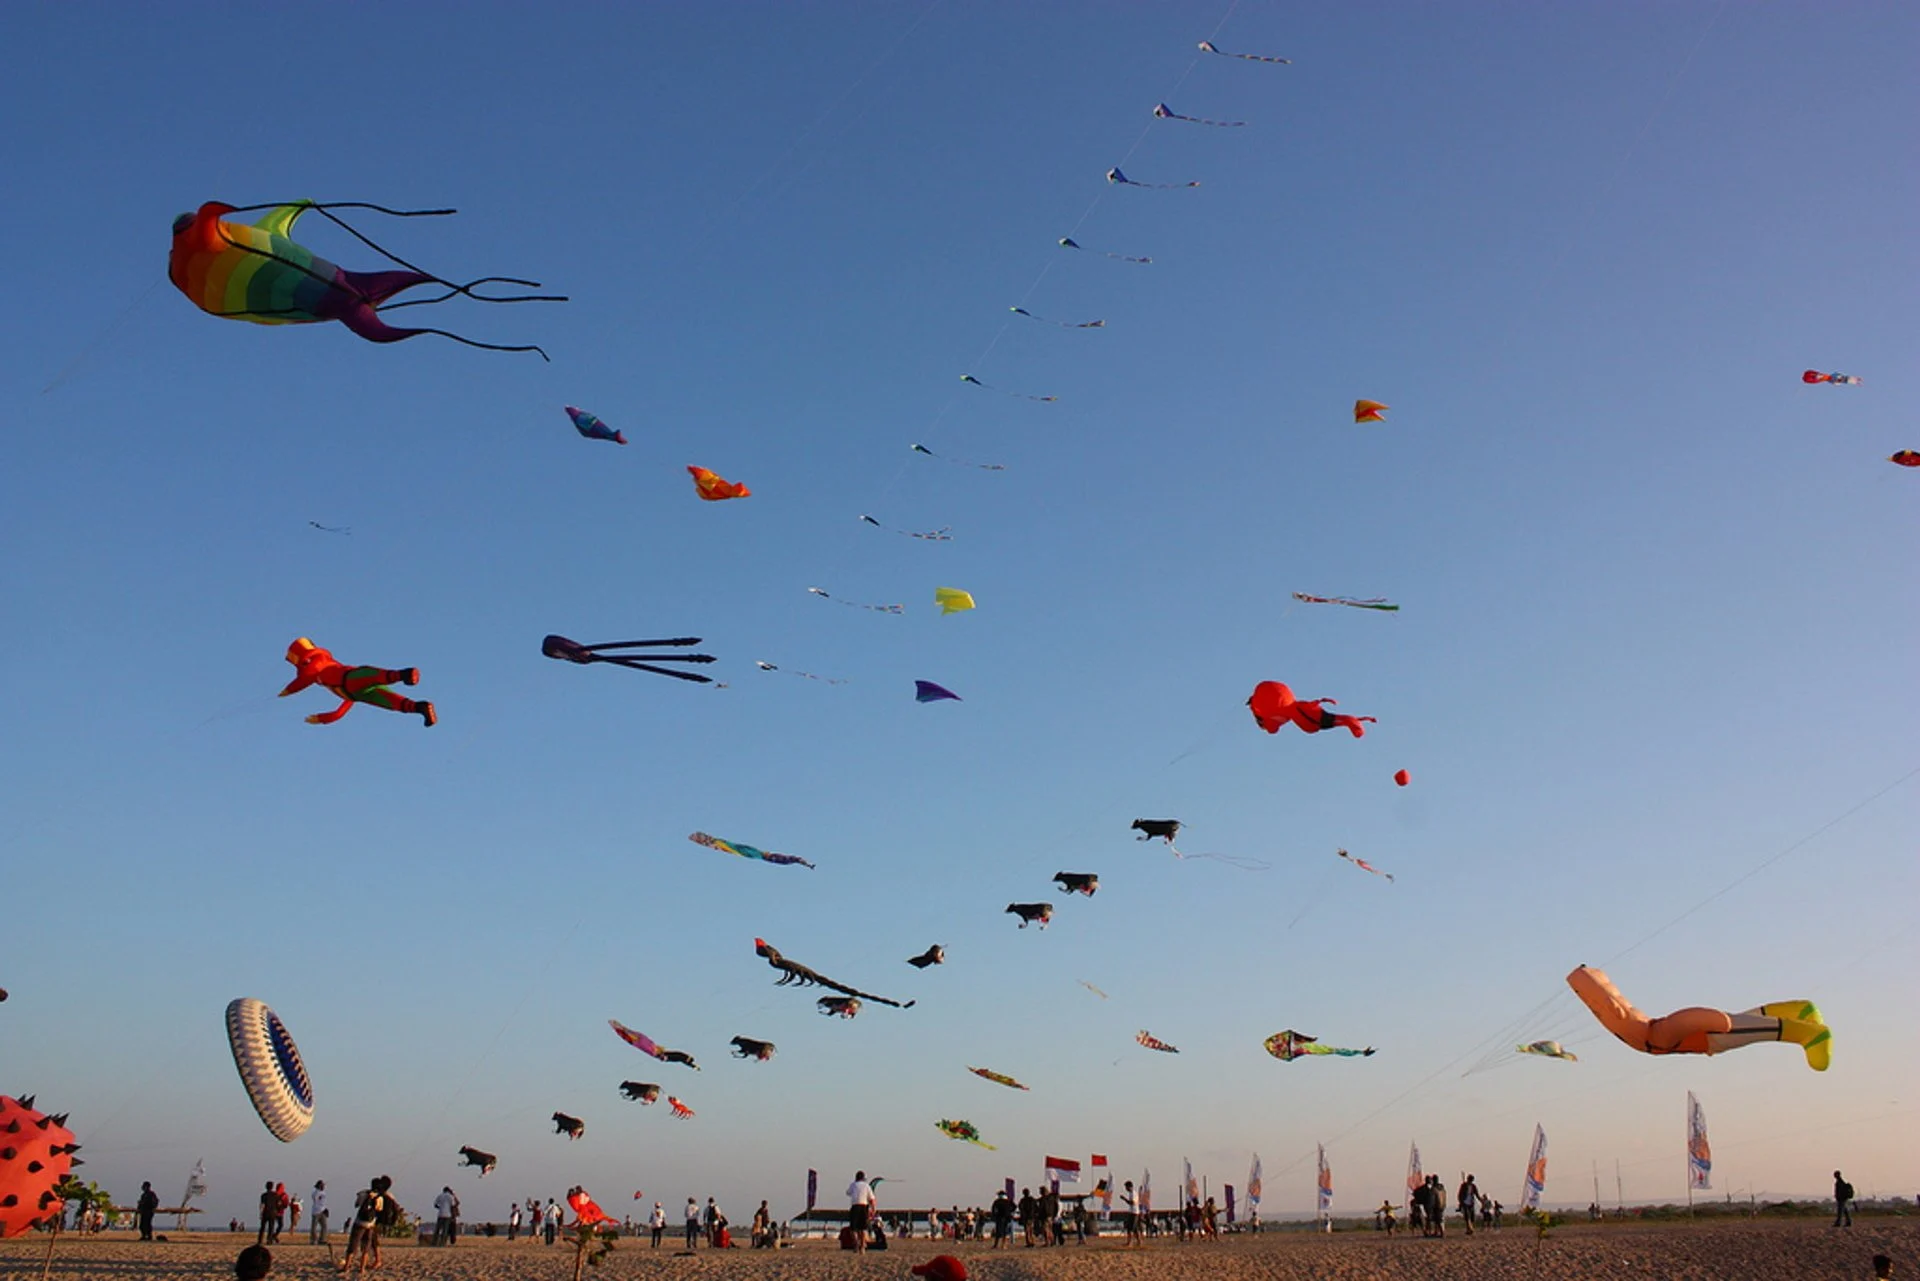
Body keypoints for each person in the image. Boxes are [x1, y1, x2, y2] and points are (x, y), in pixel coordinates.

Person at [846, 1170, 875, 1255]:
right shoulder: (867, 1186)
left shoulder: (853, 1185)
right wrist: (873, 1209)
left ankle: (856, 1244)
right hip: (864, 1206)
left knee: (853, 1228)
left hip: (855, 1206)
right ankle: (862, 1247)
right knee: (863, 1228)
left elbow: (848, 1193)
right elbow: (872, 1199)